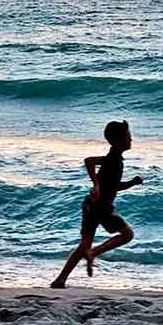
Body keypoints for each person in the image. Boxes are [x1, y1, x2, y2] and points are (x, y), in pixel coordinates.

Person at [50, 120, 143, 289]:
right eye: (128, 136)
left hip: (91, 206)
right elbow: (89, 161)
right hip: (101, 207)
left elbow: (113, 184)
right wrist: (97, 185)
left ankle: (60, 279)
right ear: (117, 140)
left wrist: (131, 183)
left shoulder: (114, 158)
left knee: (84, 244)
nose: (131, 139)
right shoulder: (114, 159)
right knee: (127, 235)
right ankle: (93, 253)